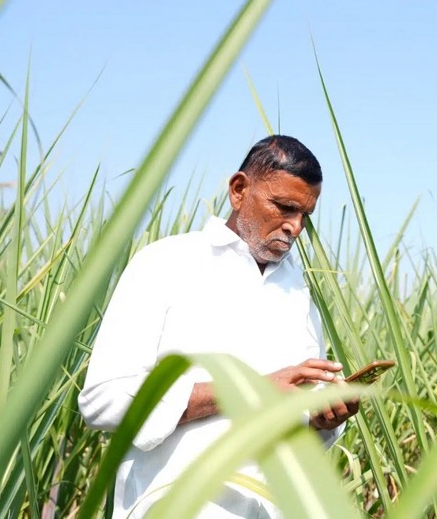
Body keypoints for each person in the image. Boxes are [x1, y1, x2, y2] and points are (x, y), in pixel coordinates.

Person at [78, 134, 359, 518]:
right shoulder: (164, 264)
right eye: (284, 207)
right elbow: (103, 400)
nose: (295, 227)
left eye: (305, 215)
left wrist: (322, 419)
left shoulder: (299, 294)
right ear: (239, 190)